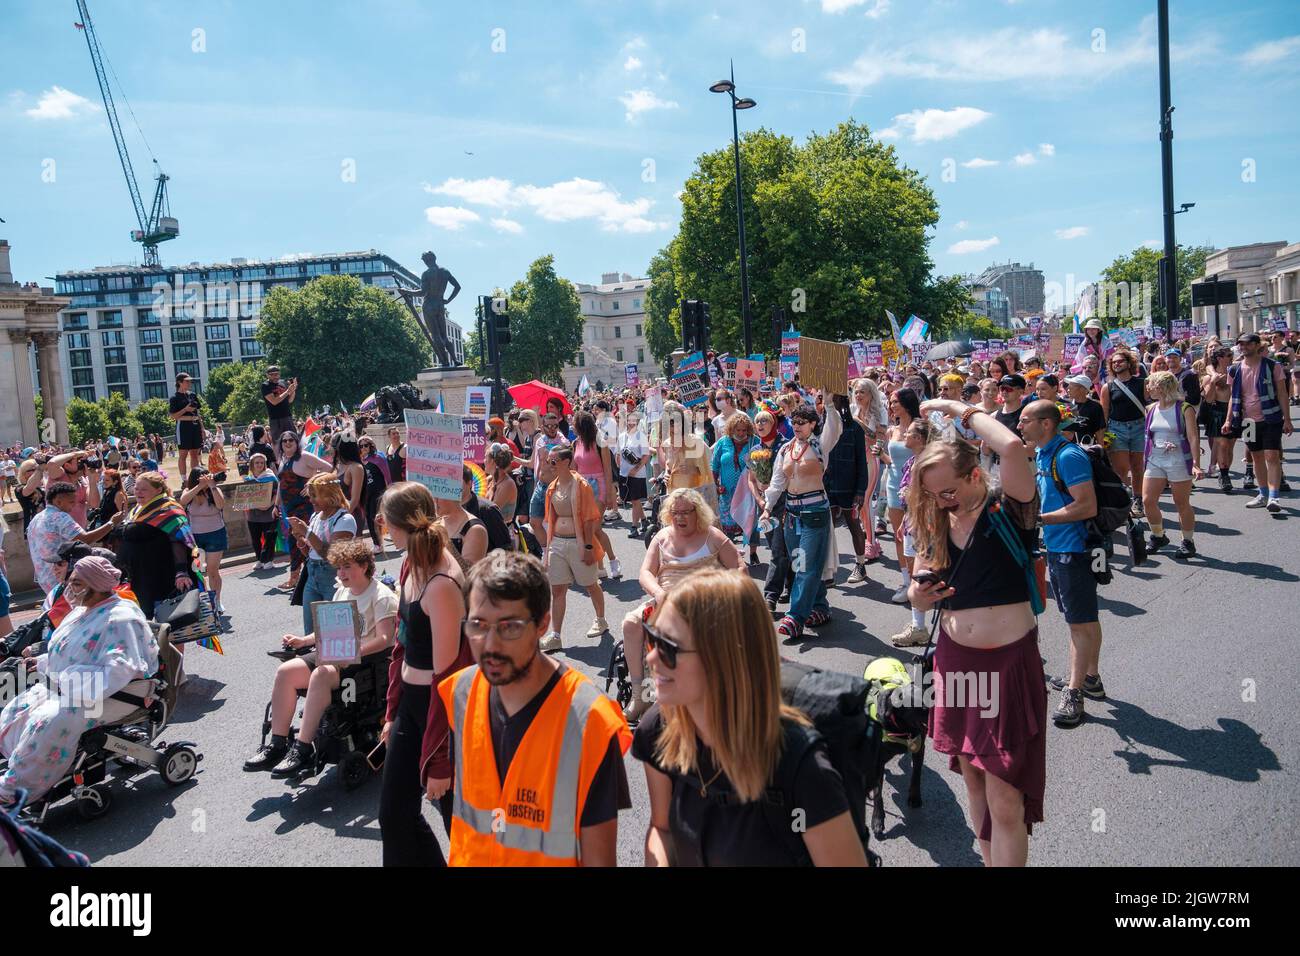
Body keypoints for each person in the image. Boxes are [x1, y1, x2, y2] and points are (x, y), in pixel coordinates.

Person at [633, 570, 867, 867]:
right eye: (652, 639)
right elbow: (662, 828)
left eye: (667, 647)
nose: (650, 659)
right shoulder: (659, 729)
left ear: (723, 658)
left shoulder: (801, 768)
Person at [906, 401, 1045, 867]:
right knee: (976, 787)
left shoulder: (1010, 508)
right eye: (933, 493)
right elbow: (918, 578)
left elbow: (1009, 443)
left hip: (1008, 665)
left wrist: (956, 409)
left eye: (948, 490)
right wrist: (919, 597)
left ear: (975, 476)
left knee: (1007, 797)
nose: (942, 500)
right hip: (956, 664)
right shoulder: (935, 521)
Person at [438, 550, 631, 866]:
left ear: (543, 624)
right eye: (478, 625)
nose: (489, 644)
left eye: (509, 627)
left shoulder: (589, 719)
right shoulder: (461, 691)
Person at [0, 556, 158, 809]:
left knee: (47, 722)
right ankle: (21, 767)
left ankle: (14, 790)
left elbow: (119, 672)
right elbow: (68, 653)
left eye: (75, 583)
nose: (68, 588)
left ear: (95, 585)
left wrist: (66, 680)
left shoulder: (120, 618)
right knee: (17, 709)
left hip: (109, 695)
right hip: (72, 688)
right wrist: (42, 663)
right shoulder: (82, 611)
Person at [377, 481, 474, 867]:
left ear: (404, 525)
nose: (383, 529)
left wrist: (439, 762)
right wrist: (391, 712)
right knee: (394, 817)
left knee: (460, 827)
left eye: (387, 523)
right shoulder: (408, 563)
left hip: (442, 719)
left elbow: (448, 680)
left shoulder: (443, 584)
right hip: (410, 710)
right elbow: (402, 644)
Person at [245, 539, 399, 776]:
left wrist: (354, 652)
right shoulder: (342, 591)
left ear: (364, 566)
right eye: (339, 567)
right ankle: (277, 744)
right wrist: (304, 640)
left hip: (364, 661)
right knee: (285, 672)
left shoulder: (381, 596)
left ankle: (303, 748)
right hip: (336, 652)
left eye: (347, 567)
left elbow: (385, 639)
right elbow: (329, 629)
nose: (341, 572)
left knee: (321, 674)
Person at [621, 488, 741, 723]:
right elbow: (645, 572)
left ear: (699, 513)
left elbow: (739, 567)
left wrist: (721, 595)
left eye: (686, 512)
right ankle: (639, 695)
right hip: (665, 601)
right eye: (675, 513)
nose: (680, 518)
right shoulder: (662, 537)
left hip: (704, 604)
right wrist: (658, 593)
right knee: (631, 622)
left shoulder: (712, 536)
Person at [1019, 400, 1103, 728]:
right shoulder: (1043, 453)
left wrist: (1038, 520)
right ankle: (1090, 677)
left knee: (1078, 624)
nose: (1020, 426)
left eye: (1026, 421)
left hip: (1074, 549)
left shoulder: (1067, 455)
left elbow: (1087, 506)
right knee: (1085, 618)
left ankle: (1075, 691)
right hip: (1061, 546)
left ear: (1046, 424)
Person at [761, 397, 842, 642]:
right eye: (795, 422)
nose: (797, 426)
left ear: (813, 425)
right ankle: (819, 606)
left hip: (815, 512)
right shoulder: (785, 449)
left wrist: (828, 405)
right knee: (799, 564)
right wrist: (767, 507)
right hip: (791, 513)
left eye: (803, 422)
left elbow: (834, 428)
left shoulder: (820, 445)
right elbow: (777, 482)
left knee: (806, 564)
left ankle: (795, 617)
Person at [540, 446, 608, 653]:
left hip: (578, 543)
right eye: (548, 460)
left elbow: (589, 520)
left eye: (553, 461)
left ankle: (601, 620)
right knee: (557, 589)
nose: (549, 464)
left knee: (590, 585)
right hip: (558, 543)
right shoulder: (552, 486)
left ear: (565, 462)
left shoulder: (581, 485)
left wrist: (588, 547)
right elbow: (549, 519)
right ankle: (556, 635)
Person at [1225, 332, 1293, 513]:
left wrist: (1287, 419)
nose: (1243, 347)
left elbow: (1282, 393)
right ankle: (1262, 494)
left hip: (1271, 418)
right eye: (1240, 344)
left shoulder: (1272, 366)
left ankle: (1273, 496)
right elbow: (1233, 396)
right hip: (1247, 420)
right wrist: (1228, 419)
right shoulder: (1234, 369)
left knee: (1272, 456)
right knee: (1256, 457)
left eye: (1247, 344)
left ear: (1256, 345)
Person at [117, 471, 199, 620]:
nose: (138, 492)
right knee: (145, 628)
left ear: (158, 490)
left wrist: (181, 572)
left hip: (162, 578)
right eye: (136, 488)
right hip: (140, 578)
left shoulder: (169, 509)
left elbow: (179, 540)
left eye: (144, 489)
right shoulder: (138, 509)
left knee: (171, 627)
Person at [1139, 371, 1204, 557]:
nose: (1148, 388)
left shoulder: (1185, 408)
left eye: (1151, 384)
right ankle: (1158, 535)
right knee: (1147, 500)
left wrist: (1196, 464)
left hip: (1178, 460)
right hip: (1155, 459)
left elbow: (1193, 437)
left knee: (1181, 502)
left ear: (1161, 387)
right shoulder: (1150, 408)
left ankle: (1188, 541)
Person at [289, 473, 357, 634]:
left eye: (315, 496)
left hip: (334, 578)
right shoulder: (315, 517)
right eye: (311, 496)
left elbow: (331, 555)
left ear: (330, 496)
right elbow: (311, 554)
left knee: (335, 634)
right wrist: (301, 542)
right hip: (312, 578)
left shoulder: (345, 519)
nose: (311, 500)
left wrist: (306, 532)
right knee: (311, 633)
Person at [25, 481, 119, 596]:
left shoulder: (36, 518)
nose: (74, 505)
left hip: (44, 576)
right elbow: (85, 540)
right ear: (58, 501)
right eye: (71, 502)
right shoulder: (59, 517)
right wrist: (112, 523)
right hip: (61, 576)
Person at [275, 430, 332, 592]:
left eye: (291, 440)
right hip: (288, 507)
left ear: (296, 442)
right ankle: (297, 575)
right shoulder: (283, 459)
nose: (287, 443)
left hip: (305, 506)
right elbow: (281, 484)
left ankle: (302, 575)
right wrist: (276, 505)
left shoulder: (305, 456)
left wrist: (312, 483)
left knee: (304, 539)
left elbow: (328, 467)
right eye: (284, 441)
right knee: (295, 540)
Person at [881, 387, 920, 605]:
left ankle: (919, 581)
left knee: (916, 537)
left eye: (895, 401)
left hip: (915, 488)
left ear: (906, 403)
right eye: (891, 402)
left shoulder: (921, 427)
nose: (892, 405)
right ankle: (906, 581)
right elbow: (893, 461)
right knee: (899, 536)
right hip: (894, 486)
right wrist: (882, 455)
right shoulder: (891, 431)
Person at [571, 412, 621, 579]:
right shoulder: (576, 443)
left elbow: (607, 469)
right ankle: (612, 560)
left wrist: (608, 495)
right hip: (582, 488)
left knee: (592, 529)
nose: (573, 427)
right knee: (596, 529)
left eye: (575, 425)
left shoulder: (600, 442)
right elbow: (573, 468)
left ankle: (600, 566)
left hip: (598, 487)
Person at [1099, 350, 1148, 518]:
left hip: (1139, 428)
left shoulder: (1142, 383)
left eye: (1120, 361)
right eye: (1114, 363)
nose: (1117, 364)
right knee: (1120, 469)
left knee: (1137, 467)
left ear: (1129, 363)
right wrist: (1103, 436)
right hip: (1116, 429)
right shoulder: (1108, 387)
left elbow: (1150, 405)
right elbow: (1104, 412)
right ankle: (1122, 502)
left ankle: (1138, 499)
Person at [179, 468, 228, 615]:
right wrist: (199, 486)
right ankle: (204, 599)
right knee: (198, 571)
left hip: (215, 535)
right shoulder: (189, 490)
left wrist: (211, 485)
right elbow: (182, 502)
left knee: (212, 570)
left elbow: (220, 505)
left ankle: (217, 601)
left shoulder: (214, 490)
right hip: (195, 538)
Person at [711, 412, 759, 550]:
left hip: (748, 491)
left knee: (750, 521)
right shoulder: (723, 442)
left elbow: (761, 464)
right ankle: (729, 553)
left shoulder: (754, 442)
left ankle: (753, 552)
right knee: (727, 524)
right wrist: (716, 485)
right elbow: (714, 466)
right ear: (731, 429)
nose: (741, 433)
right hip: (727, 492)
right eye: (738, 430)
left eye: (744, 430)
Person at [527, 411, 572, 548]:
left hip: (556, 487)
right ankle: (546, 551)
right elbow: (538, 465)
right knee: (535, 522)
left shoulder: (563, 442)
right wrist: (536, 485)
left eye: (555, 426)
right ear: (542, 426)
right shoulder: (540, 441)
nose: (552, 429)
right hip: (541, 486)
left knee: (556, 524)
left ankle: (556, 552)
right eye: (549, 426)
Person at [438, 467, 489, 566]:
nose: (434, 501)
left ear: (451, 493)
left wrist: (444, 539)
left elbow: (468, 574)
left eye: (438, 495)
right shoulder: (437, 522)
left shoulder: (475, 529)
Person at [1202, 346, 1236, 493]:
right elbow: (1208, 399)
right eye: (1228, 355)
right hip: (1217, 412)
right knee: (1222, 444)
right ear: (1220, 358)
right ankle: (1224, 475)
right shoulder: (1209, 377)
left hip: (1234, 411)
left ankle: (1224, 472)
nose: (1231, 357)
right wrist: (1213, 382)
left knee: (1229, 446)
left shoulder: (1234, 373)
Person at [617, 409, 652, 539]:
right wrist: (619, 462)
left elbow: (646, 456)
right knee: (633, 500)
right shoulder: (622, 436)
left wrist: (635, 469)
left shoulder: (640, 436)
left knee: (635, 501)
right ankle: (643, 520)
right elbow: (618, 452)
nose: (631, 423)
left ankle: (634, 527)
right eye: (629, 421)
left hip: (636, 474)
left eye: (634, 421)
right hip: (624, 473)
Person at [243, 453, 280, 570]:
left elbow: (277, 493)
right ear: (252, 464)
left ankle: (269, 560)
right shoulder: (248, 479)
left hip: (269, 513)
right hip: (253, 515)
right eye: (256, 463)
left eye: (261, 463)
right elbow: (244, 497)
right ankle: (259, 559)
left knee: (269, 537)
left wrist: (270, 504)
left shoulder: (271, 477)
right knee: (255, 539)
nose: (259, 465)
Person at [357, 435, 391, 553]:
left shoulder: (378, 458)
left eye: (366, 445)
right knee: (369, 517)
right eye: (361, 446)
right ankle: (377, 543)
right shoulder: (359, 461)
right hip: (366, 494)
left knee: (376, 516)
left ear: (371, 446)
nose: (364, 448)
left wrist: (389, 490)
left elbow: (387, 475)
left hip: (379, 492)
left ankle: (380, 541)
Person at [169, 373, 203, 479]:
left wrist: (202, 428)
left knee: (195, 454)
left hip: (195, 426)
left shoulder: (192, 395)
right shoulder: (174, 398)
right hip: (183, 427)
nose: (189, 383)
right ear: (179, 382)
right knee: (183, 454)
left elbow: (197, 412)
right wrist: (185, 410)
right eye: (187, 381)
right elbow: (173, 416)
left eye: (190, 381)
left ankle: (195, 478)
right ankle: (184, 479)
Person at [1064, 374, 1105, 445]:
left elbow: (1099, 431)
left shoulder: (1095, 407)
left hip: (1087, 447)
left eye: (1072, 386)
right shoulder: (1065, 405)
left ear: (1083, 389)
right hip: (1067, 448)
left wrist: (1100, 451)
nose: (1068, 388)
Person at [262, 365, 298, 443]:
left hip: (288, 416)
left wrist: (293, 389)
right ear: (267, 375)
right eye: (273, 374)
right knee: (279, 442)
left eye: (277, 374)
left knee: (293, 440)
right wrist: (288, 391)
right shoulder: (265, 385)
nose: (275, 376)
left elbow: (290, 400)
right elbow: (274, 401)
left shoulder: (283, 383)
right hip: (276, 419)